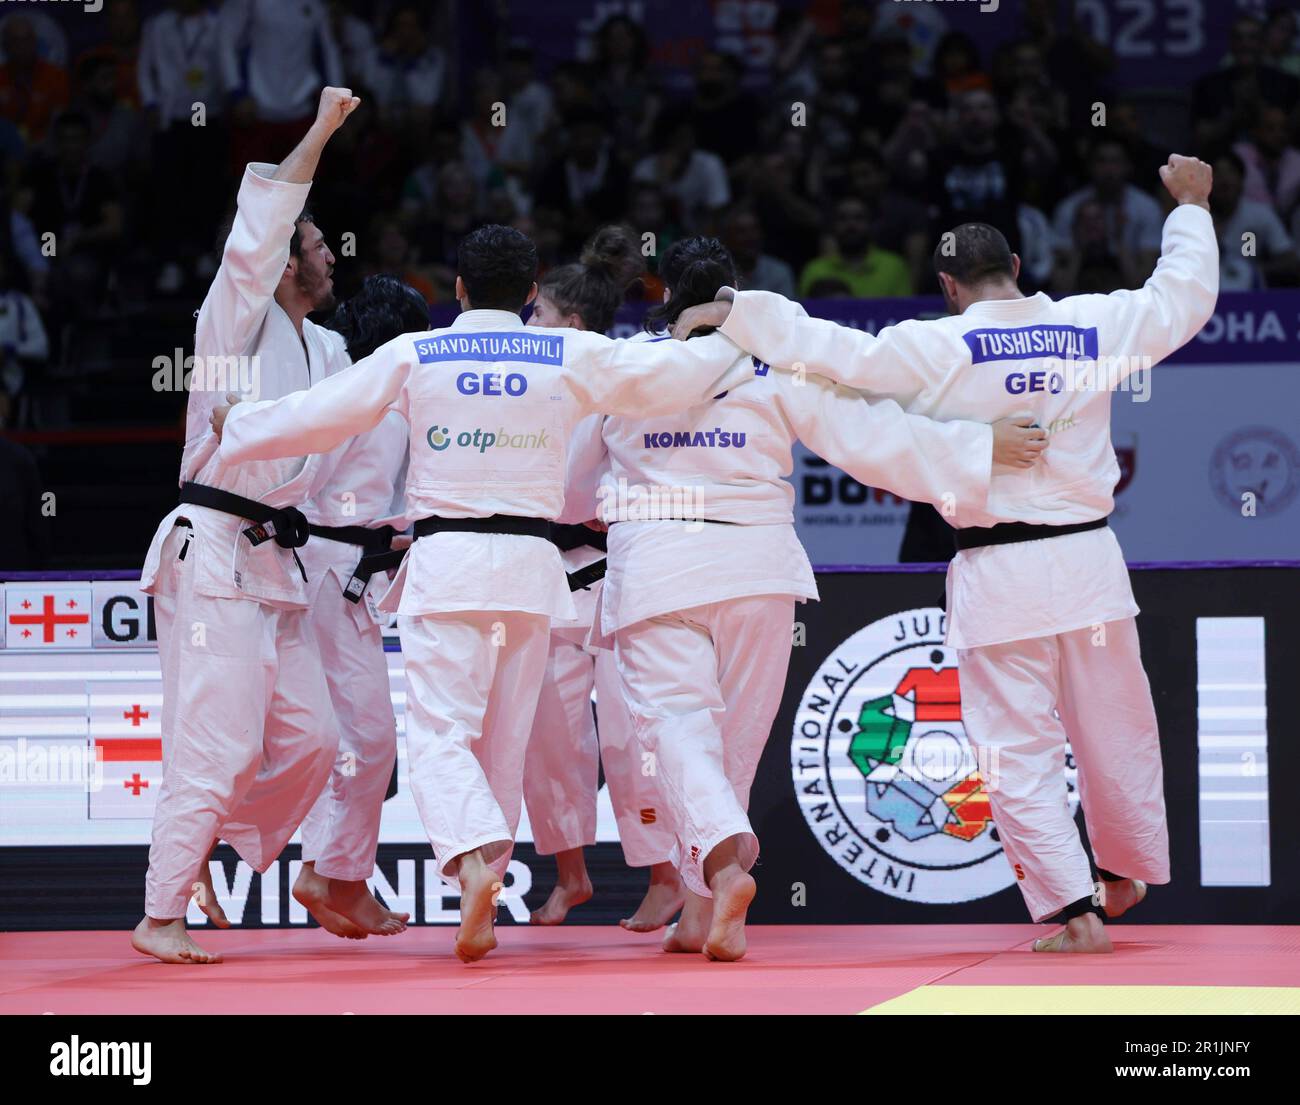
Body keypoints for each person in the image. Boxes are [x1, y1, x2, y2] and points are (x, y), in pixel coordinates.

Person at [672, 154, 1220, 954]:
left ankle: (1074, 909)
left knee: (1016, 744)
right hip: (1091, 563)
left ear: (948, 285)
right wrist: (1192, 208)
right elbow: (1184, 297)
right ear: (1019, 269)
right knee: (1117, 727)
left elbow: (834, 351)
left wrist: (735, 310)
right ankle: (1126, 869)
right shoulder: (1095, 323)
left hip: (1001, 573)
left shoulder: (937, 347)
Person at [209, 223, 768, 963]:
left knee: (444, 733)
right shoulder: (568, 350)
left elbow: (324, 412)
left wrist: (237, 423)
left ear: (460, 289)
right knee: (504, 744)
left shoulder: (419, 352)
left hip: (448, 564)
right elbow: (671, 377)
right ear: (532, 289)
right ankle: (492, 877)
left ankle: (474, 863)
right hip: (532, 571)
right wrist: (734, 326)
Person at [574, 236, 1049, 961]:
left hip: (659, 565)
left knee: (676, 727)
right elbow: (871, 439)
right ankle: (702, 915)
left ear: (661, 290)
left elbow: (575, 483)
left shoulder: (627, 365)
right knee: (731, 742)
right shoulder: (773, 366)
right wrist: (979, 449)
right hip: (757, 565)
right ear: (734, 293)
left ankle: (724, 869)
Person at [131, 88, 360, 965]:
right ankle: (162, 909)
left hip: (276, 561)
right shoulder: (236, 319)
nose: (327, 252)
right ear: (280, 262)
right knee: (215, 741)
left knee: (314, 740)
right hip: (215, 550)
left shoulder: (323, 349)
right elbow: (259, 223)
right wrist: (322, 132)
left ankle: (207, 842)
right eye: (313, 242)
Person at [521, 226, 681, 930]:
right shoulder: (523, 388)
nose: (527, 324)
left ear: (573, 324)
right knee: (550, 734)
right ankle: (572, 876)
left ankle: (666, 873)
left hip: (616, 568)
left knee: (629, 732)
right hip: (543, 570)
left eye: (537, 315)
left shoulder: (623, 375)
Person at [290, 274, 431, 938]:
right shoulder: (352, 387)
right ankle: (333, 874)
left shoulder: (385, 392)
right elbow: (302, 480)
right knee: (368, 738)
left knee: (356, 739)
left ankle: (334, 872)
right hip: (324, 570)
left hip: (351, 569)